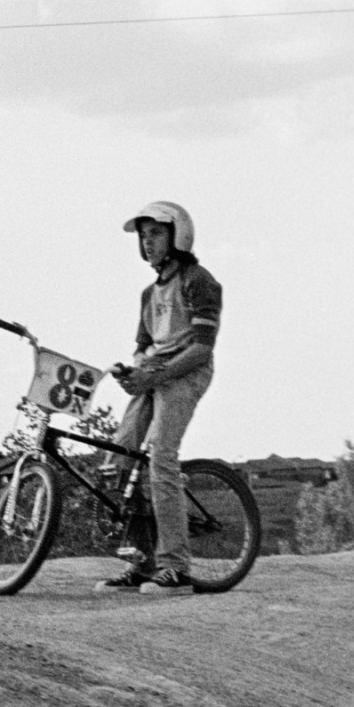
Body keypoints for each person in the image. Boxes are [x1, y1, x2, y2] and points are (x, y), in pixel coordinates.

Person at [96, 201, 223, 596]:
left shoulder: (198, 280)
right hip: (156, 373)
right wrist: (134, 372)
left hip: (186, 373)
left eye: (155, 233)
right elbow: (142, 346)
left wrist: (157, 374)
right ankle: (141, 561)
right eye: (143, 235)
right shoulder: (148, 294)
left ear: (177, 235)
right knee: (120, 457)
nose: (147, 242)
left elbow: (201, 348)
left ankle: (176, 568)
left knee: (160, 456)